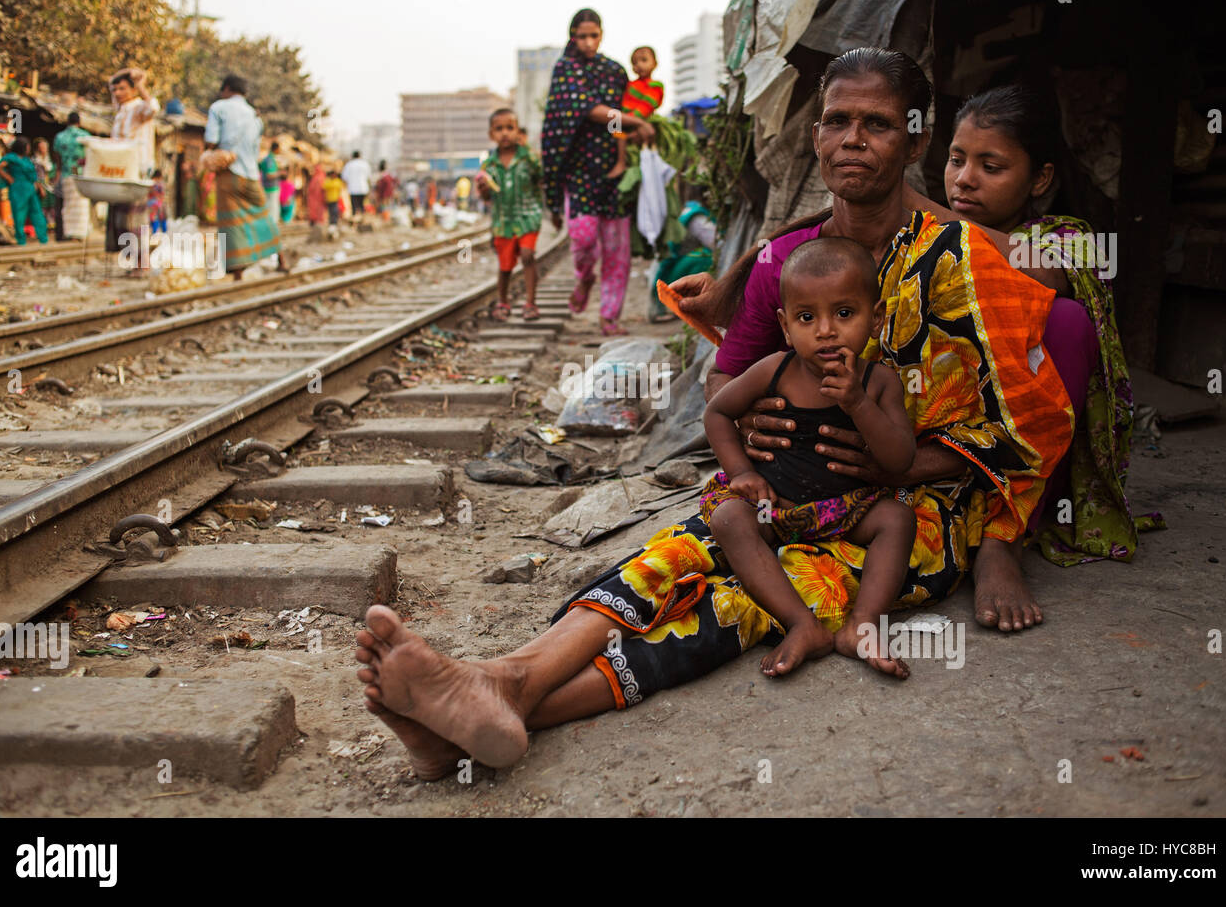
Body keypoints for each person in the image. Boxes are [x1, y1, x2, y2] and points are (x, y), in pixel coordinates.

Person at [351, 47, 1075, 776]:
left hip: (907, 511)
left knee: (750, 602)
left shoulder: (965, 261)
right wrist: (752, 424)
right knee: (680, 551)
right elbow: (729, 382)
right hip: (784, 490)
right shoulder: (787, 260)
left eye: (878, 124)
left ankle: (490, 707)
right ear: (816, 135)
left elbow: (1027, 423)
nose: (852, 139)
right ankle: (501, 684)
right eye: (836, 121)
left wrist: (909, 457)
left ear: (916, 141)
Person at [942, 84, 1159, 565]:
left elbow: (1046, 272)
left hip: (1029, 448)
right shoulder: (923, 238)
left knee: (1064, 316)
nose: (964, 180)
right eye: (956, 160)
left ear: (1040, 179)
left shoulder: (1065, 239)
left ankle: (1017, 519)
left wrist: (921, 212)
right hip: (942, 437)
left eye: (990, 167)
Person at [702, 237, 917, 677]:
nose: (825, 331)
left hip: (846, 509)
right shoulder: (774, 370)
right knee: (728, 519)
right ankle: (803, 624)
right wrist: (741, 471)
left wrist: (859, 404)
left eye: (844, 313)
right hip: (774, 507)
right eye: (806, 317)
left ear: (875, 319)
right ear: (784, 326)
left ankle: (862, 625)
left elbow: (900, 461)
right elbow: (717, 412)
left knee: (898, 519)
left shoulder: (879, 383)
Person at [541, 8, 652, 336]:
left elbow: (620, 112)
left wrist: (634, 122)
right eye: (581, 36)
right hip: (578, 171)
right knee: (584, 238)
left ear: (601, 35)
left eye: (594, 35)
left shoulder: (614, 70)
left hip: (613, 170)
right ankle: (585, 276)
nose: (588, 42)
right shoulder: (566, 68)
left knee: (617, 250)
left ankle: (609, 317)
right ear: (572, 36)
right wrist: (635, 122)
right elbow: (588, 110)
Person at [203, 73, 284, 278]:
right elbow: (256, 148)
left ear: (227, 89)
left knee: (231, 221)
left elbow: (211, 139)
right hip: (251, 173)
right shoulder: (255, 115)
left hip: (229, 172)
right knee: (262, 215)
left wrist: (210, 153)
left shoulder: (218, 108)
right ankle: (281, 259)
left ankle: (237, 272)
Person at [477, 108, 544, 321]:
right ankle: (503, 302)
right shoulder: (489, 165)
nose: (504, 133)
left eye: (509, 128)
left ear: (518, 131)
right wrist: (484, 189)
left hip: (528, 216)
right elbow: (487, 198)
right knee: (505, 266)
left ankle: (531, 303)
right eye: (499, 129)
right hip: (503, 221)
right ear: (491, 134)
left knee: (527, 255)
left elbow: (541, 179)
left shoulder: (529, 158)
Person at [105, 68, 159, 271]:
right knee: (121, 219)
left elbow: (153, 107)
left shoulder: (138, 108)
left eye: (122, 88)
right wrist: (124, 73)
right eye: (115, 89)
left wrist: (141, 84)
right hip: (119, 170)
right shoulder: (120, 111)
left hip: (137, 170)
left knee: (135, 218)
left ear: (133, 89)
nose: (118, 93)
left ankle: (142, 262)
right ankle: (133, 260)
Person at [607, 45, 665, 180]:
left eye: (644, 60)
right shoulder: (630, 84)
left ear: (654, 64)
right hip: (626, 119)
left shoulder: (655, 86)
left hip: (641, 120)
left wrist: (632, 119)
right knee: (614, 125)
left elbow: (647, 105)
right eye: (635, 62)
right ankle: (621, 160)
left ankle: (622, 162)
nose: (639, 65)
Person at [0, 135, 49, 246]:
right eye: (27, 146)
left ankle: (43, 238)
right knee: (19, 214)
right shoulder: (11, 158)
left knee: (37, 213)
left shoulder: (27, 160)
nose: (29, 149)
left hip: (30, 188)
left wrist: (40, 188)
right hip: (17, 189)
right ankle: (21, 240)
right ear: (22, 147)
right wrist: (9, 178)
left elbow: (33, 176)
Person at [53, 112, 91, 240]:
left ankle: (69, 232)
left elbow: (57, 159)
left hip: (66, 173)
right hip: (81, 173)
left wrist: (58, 173)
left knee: (68, 204)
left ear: (67, 122)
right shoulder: (85, 136)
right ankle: (79, 233)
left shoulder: (59, 137)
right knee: (81, 204)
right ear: (79, 122)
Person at [31, 137, 57, 240]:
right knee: (42, 209)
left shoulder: (50, 160)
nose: (44, 149)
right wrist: (40, 187)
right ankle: (42, 229)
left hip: (52, 187)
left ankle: (52, 228)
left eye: (45, 147)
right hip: (40, 187)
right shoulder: (35, 161)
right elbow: (35, 176)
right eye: (41, 147)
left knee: (53, 208)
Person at [341, 150, 371, 224]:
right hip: (363, 188)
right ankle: (362, 220)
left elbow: (344, 177)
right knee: (362, 205)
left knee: (354, 206)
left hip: (353, 189)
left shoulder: (349, 165)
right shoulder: (365, 164)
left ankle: (354, 221)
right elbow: (368, 176)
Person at [260, 142, 281, 224]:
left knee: (269, 207)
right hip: (271, 188)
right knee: (272, 208)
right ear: (276, 149)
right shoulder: (270, 160)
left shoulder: (267, 159)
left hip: (268, 187)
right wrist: (280, 173)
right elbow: (270, 175)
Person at [305, 163, 326, 227]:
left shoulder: (319, 177)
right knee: (315, 209)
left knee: (318, 209)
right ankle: (315, 221)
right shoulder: (318, 177)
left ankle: (317, 221)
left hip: (318, 197)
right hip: (314, 197)